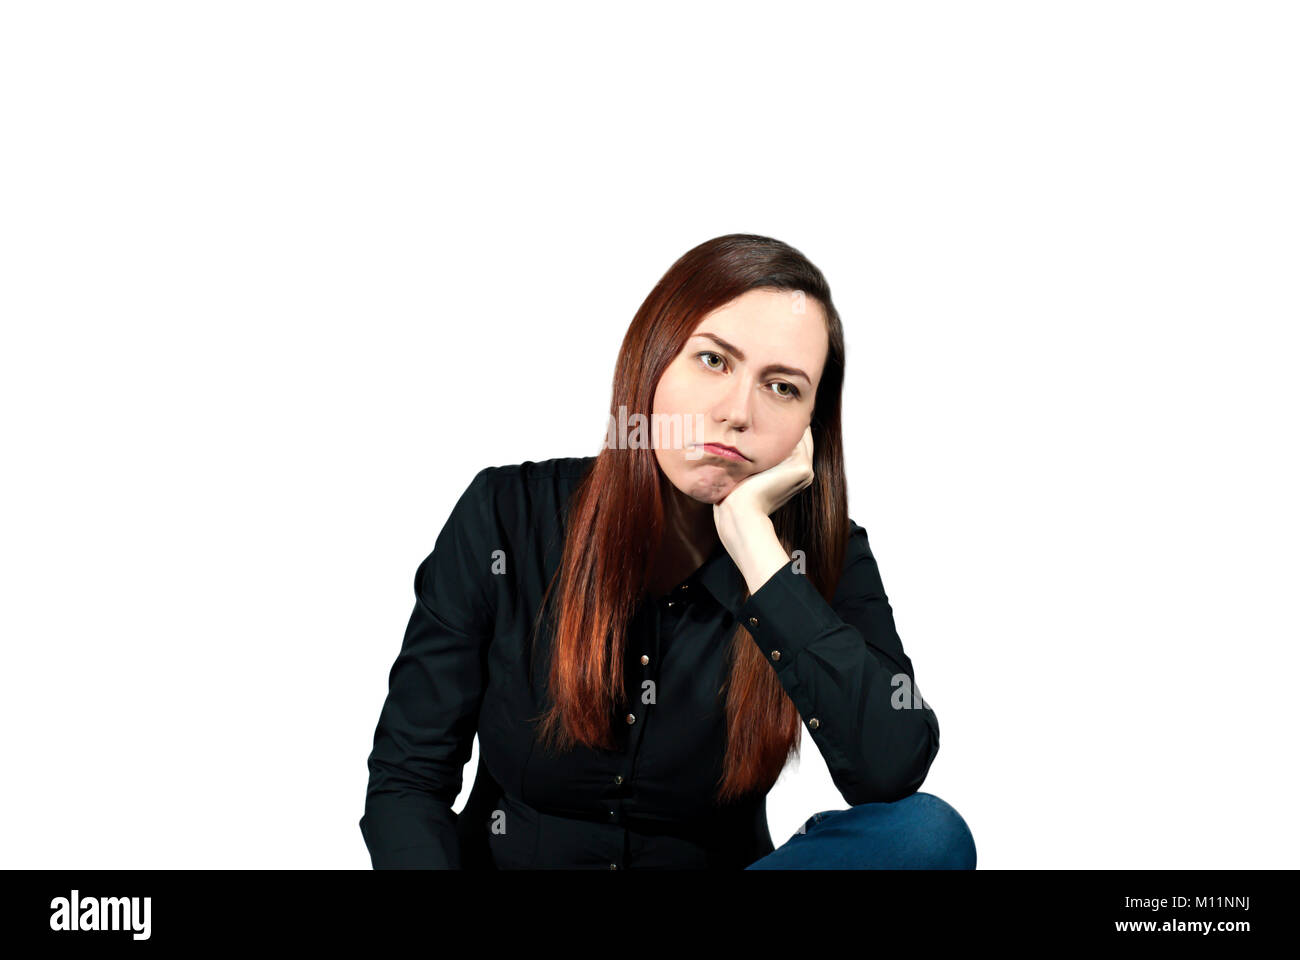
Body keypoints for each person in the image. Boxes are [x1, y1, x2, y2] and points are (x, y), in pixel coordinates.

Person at [359, 234, 976, 869]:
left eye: (783, 388)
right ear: (651, 360)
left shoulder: (822, 555)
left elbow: (893, 768)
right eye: (714, 361)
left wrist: (761, 558)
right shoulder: (505, 516)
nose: (738, 412)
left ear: (810, 430)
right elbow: (407, 785)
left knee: (925, 835)